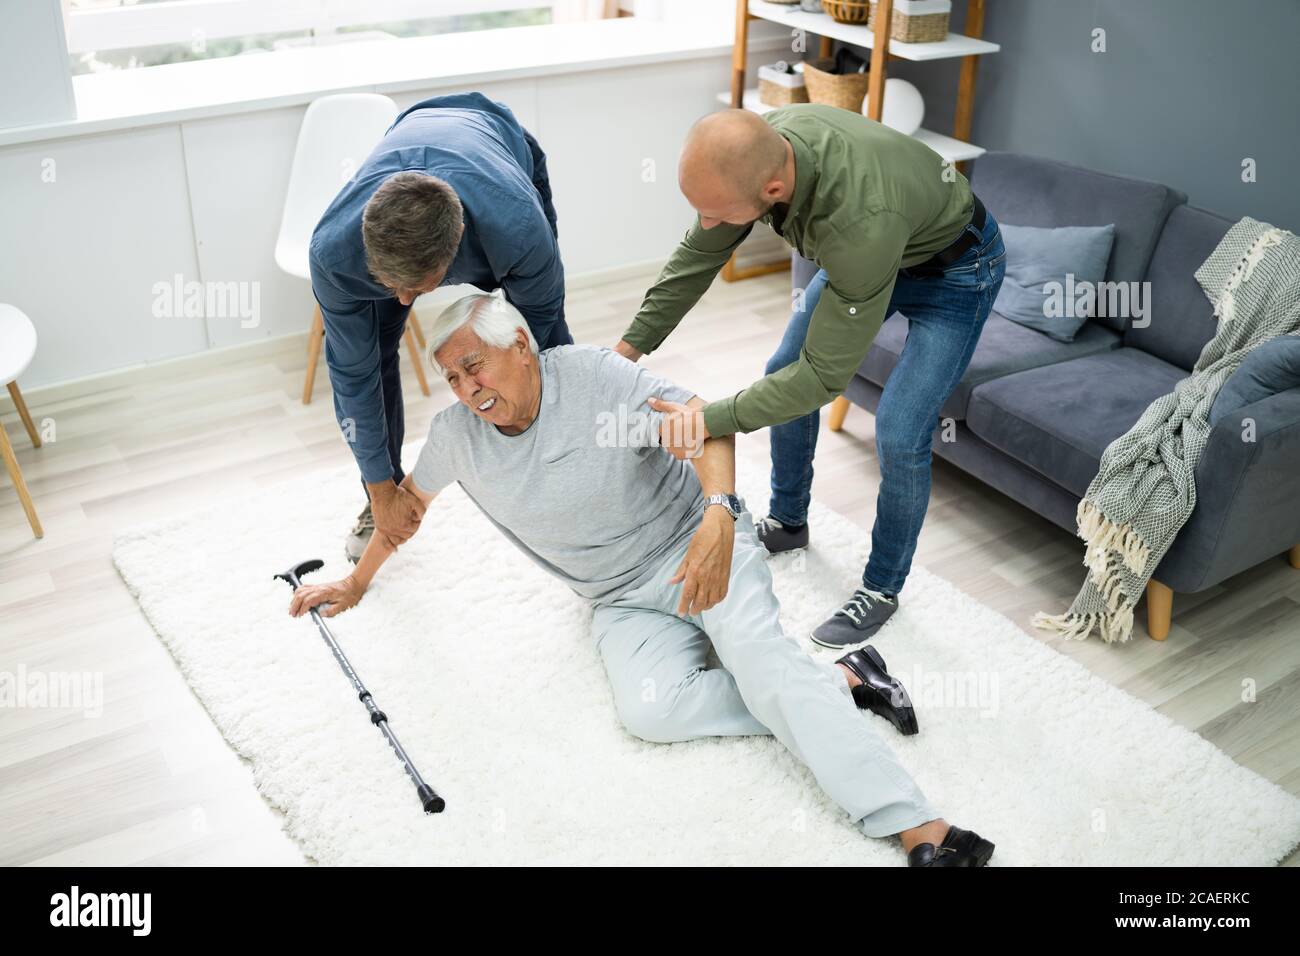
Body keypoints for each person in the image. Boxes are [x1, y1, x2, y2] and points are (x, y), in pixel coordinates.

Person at [288, 292, 995, 866]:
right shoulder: (456, 439)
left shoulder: (597, 379)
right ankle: (844, 681)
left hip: (697, 548)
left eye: (477, 365)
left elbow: (706, 424)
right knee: (652, 713)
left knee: (761, 662)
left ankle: (922, 828)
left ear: (522, 346)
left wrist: (719, 517)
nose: (469, 387)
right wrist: (354, 582)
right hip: (620, 598)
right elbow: (404, 511)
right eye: (454, 376)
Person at [614, 106, 1006, 648]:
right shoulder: (758, 146)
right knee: (780, 369)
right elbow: (696, 259)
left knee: (899, 430)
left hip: (957, 272)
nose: (707, 222)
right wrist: (622, 354)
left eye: (715, 212)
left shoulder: (856, 223)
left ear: (773, 188)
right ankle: (789, 520)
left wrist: (709, 419)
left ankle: (882, 588)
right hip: (880, 249)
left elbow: (822, 377)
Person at [310, 92, 572, 563]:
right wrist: (380, 488)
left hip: (496, 142)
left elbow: (545, 341)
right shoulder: (334, 254)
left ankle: (566, 464)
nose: (406, 302)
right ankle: (379, 498)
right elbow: (353, 375)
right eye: (392, 285)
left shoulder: (516, 228)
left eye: (417, 288)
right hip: (413, 151)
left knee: (537, 346)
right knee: (373, 349)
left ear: (452, 260)